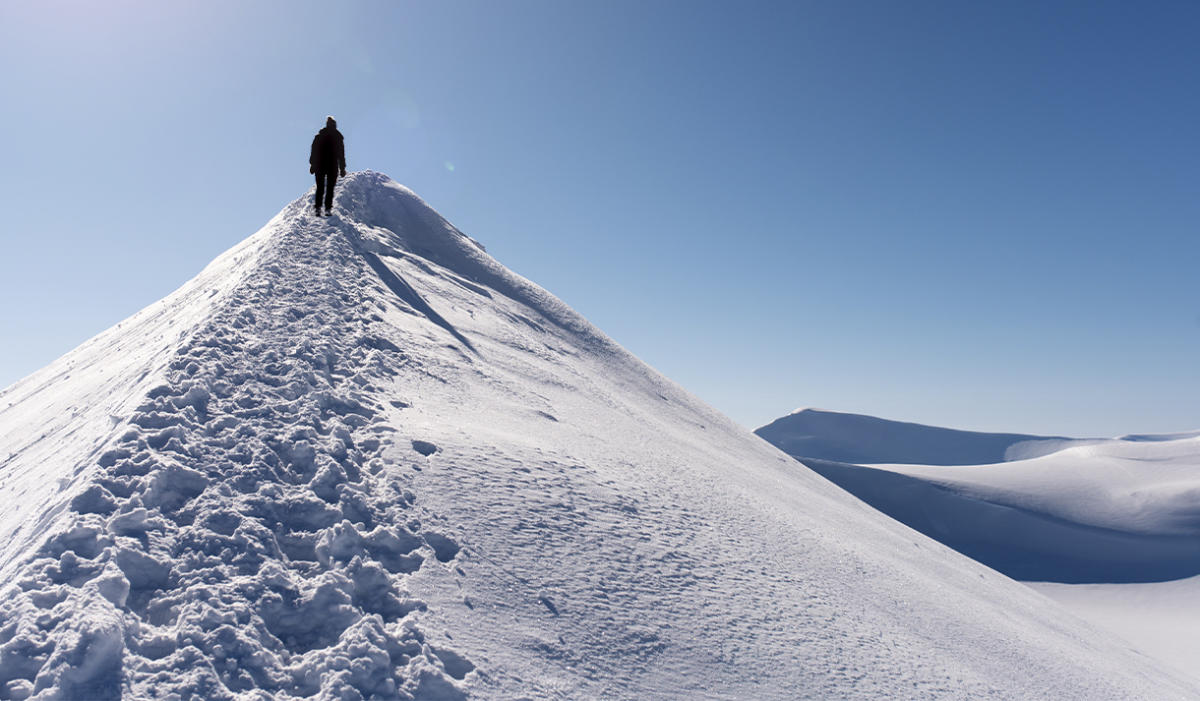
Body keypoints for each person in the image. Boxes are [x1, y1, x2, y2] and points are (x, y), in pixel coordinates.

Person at [309, 116, 346, 216]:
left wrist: (312, 164)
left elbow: (314, 151)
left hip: (320, 165)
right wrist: (342, 168)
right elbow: (341, 154)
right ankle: (327, 209)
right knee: (330, 188)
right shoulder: (338, 137)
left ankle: (318, 208)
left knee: (320, 187)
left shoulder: (319, 136)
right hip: (332, 165)